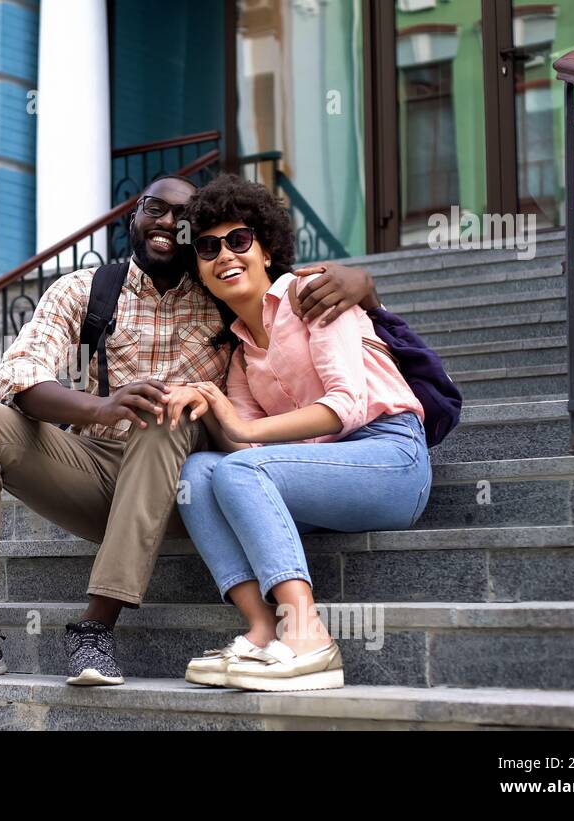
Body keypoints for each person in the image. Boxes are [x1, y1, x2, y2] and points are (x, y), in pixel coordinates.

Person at [0, 174, 380, 686]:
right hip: (91, 472)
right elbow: (19, 373)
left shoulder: (221, 290)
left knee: (167, 413)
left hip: (183, 491)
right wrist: (102, 408)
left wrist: (367, 286)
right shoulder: (85, 289)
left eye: (183, 217)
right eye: (153, 207)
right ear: (132, 218)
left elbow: (287, 293)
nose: (166, 222)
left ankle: (95, 628)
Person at [164, 174, 431, 692]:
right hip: (319, 474)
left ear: (266, 250)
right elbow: (246, 451)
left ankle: (309, 640)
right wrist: (215, 409)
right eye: (208, 247)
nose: (225, 255)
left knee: (238, 467)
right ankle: (263, 630)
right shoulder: (241, 356)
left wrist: (237, 421)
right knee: (199, 471)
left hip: (390, 458)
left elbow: (346, 405)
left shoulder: (313, 297)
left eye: (239, 239)